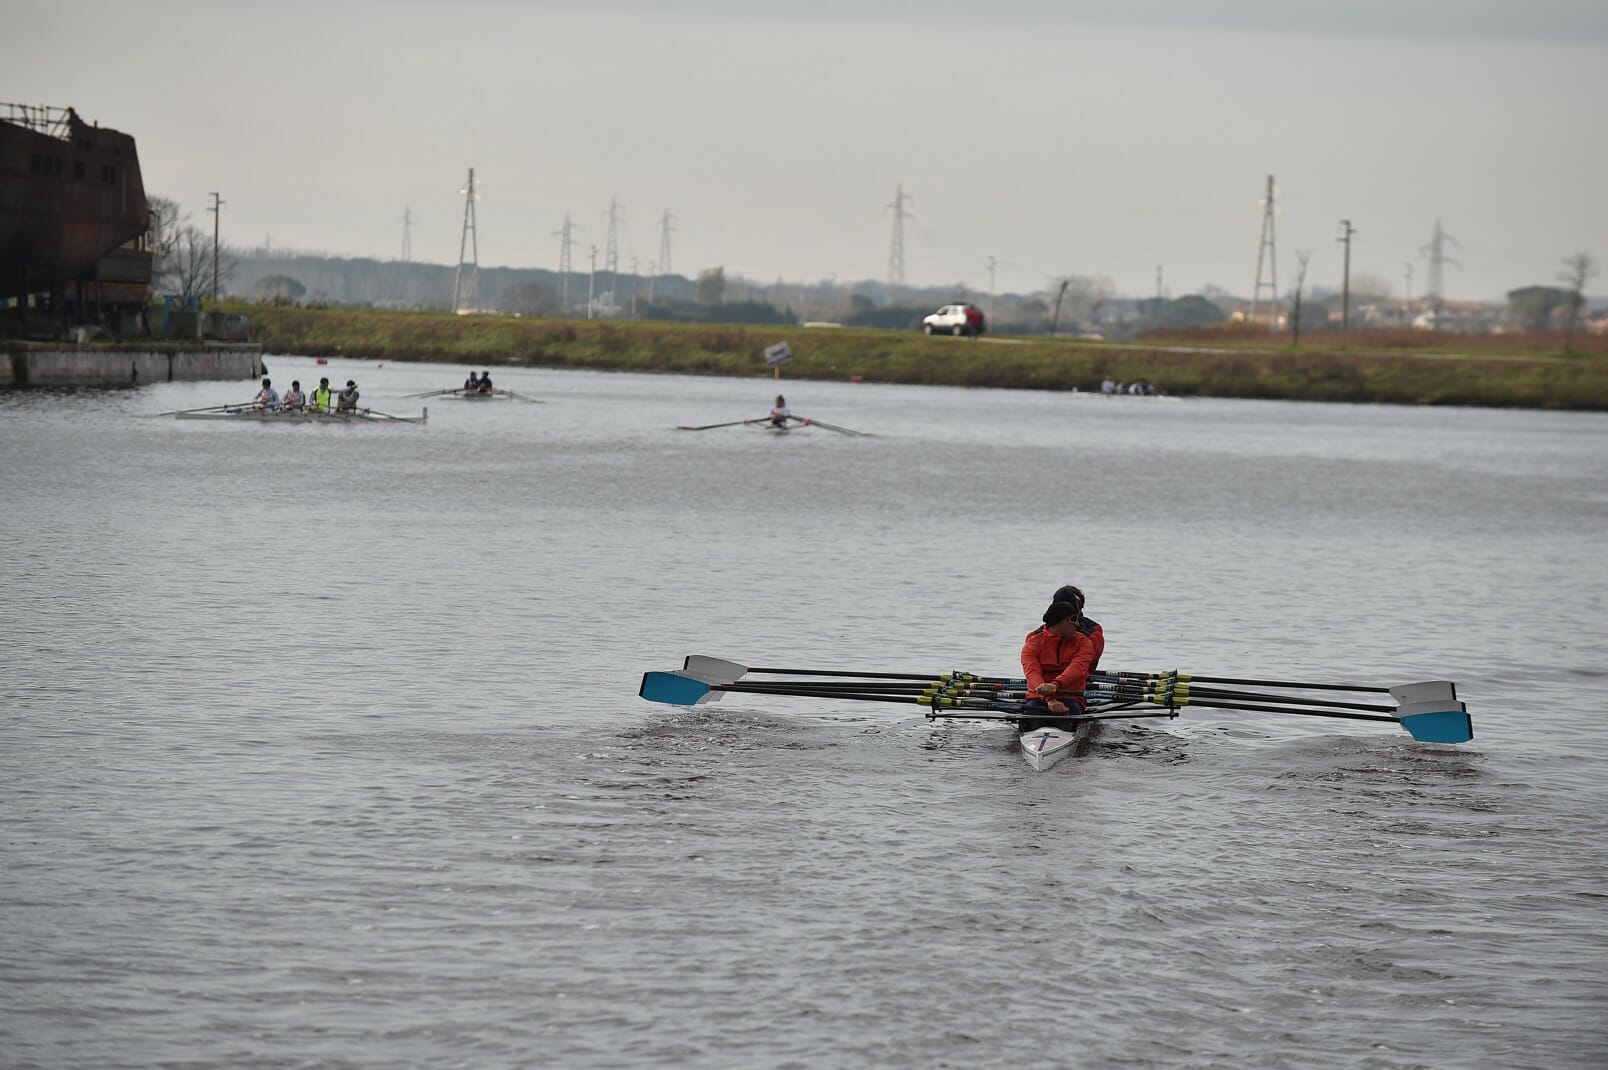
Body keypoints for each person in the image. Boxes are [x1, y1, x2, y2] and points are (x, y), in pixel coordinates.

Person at [1019, 601, 1097, 733]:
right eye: (1073, 619)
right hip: (1038, 697)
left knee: (1069, 714)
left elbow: (1078, 668)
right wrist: (1050, 699)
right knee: (1032, 715)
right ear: (1059, 621)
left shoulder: (1083, 642)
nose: (1077, 625)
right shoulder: (1034, 643)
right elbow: (1032, 673)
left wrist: (1055, 685)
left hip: (1071, 696)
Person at [1052, 584, 1105, 670]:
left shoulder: (1093, 634)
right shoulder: (1036, 636)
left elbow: (1086, 664)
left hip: (1079, 678)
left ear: (1079, 609)